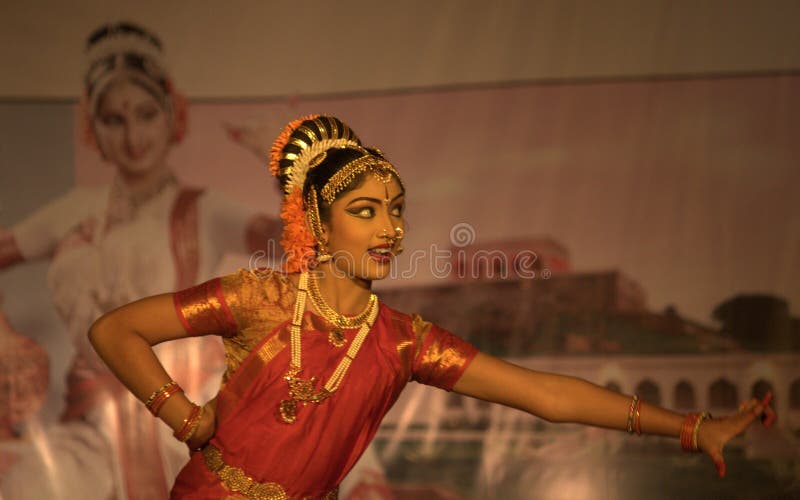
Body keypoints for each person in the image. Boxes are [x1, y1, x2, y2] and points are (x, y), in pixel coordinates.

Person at [88, 114, 775, 499]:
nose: (390, 229)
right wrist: (182, 415)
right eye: (367, 211)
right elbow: (115, 330)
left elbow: (545, 395)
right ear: (320, 227)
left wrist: (691, 428)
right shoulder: (258, 298)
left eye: (396, 212)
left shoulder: (403, 342)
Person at [0, 22, 281, 499]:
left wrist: (285, 164)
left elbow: (297, 245)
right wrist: (4, 338)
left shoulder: (203, 209)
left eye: (147, 114)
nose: (133, 136)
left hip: (190, 421)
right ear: (93, 128)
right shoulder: (74, 210)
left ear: (173, 118)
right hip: (93, 431)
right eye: (114, 119)